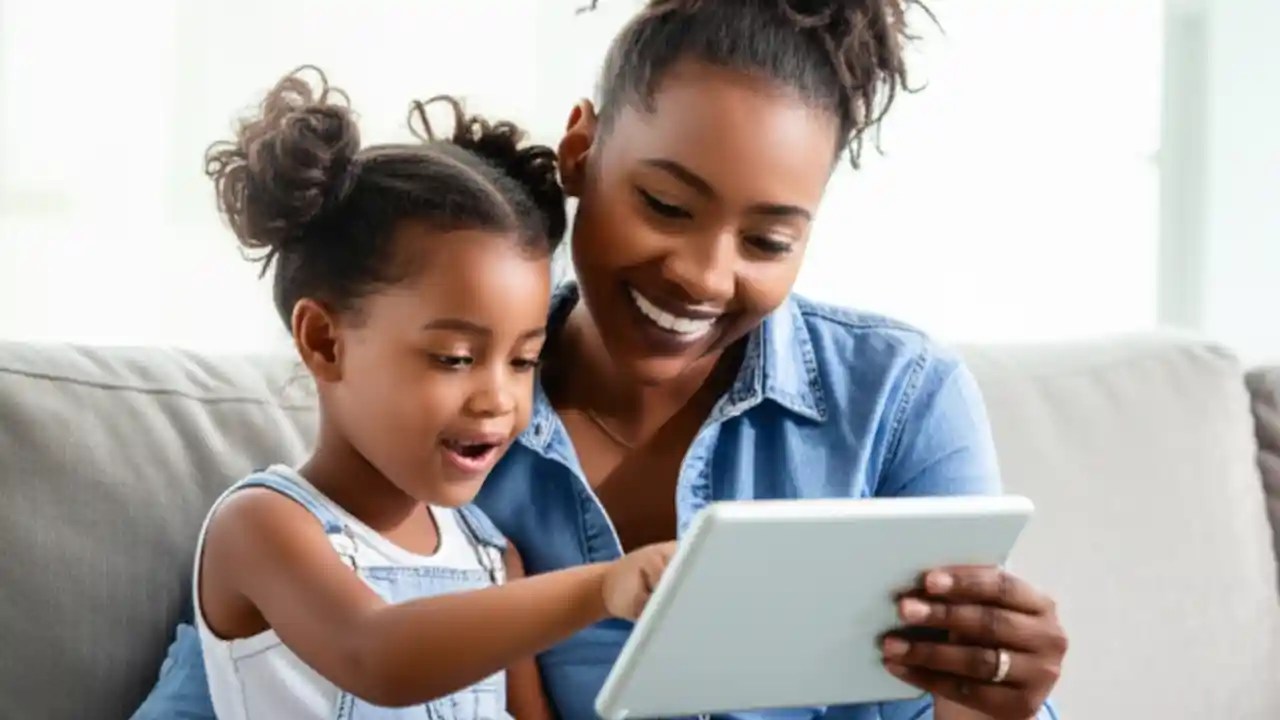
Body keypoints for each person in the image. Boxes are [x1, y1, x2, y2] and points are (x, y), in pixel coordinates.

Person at [134, 1, 1069, 718]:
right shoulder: (420, 449)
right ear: (581, 149)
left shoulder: (898, 404)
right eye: (665, 205)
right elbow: (355, 653)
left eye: (770, 240)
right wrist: (598, 589)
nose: (704, 275)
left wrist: (990, 694)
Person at [165, 66, 678, 720]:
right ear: (324, 341)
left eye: (524, 360)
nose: (498, 397)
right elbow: (375, 655)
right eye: (455, 357)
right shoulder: (266, 527)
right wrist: (601, 587)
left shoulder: (493, 558)